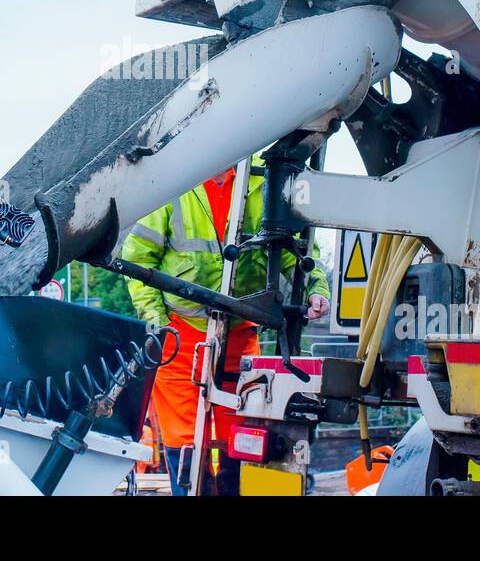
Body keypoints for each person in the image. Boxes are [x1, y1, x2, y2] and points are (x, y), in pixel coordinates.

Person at [121, 156, 330, 496]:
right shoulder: (174, 183)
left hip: (239, 332)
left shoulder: (263, 178)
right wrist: (158, 324)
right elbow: (136, 261)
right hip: (180, 336)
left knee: (243, 437)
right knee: (184, 439)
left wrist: (316, 289)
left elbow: (299, 253)